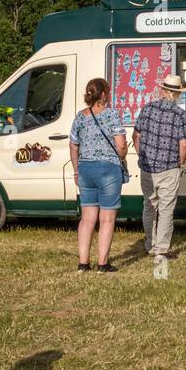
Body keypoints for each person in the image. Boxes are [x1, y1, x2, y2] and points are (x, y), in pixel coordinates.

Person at [69, 78, 127, 272]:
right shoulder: (111, 114)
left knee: (87, 219)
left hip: (85, 169)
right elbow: (120, 145)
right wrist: (122, 155)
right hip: (108, 168)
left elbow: (73, 144)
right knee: (107, 218)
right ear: (103, 94)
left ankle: (83, 263)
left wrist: (76, 169)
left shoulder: (80, 116)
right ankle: (103, 263)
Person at [133, 75, 186, 265]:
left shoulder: (148, 108)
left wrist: (141, 155)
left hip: (148, 166)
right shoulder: (180, 114)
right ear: (176, 94)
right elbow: (183, 144)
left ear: (163, 90)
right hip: (168, 166)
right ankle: (161, 250)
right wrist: (181, 163)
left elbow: (136, 135)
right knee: (166, 209)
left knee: (149, 206)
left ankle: (150, 244)